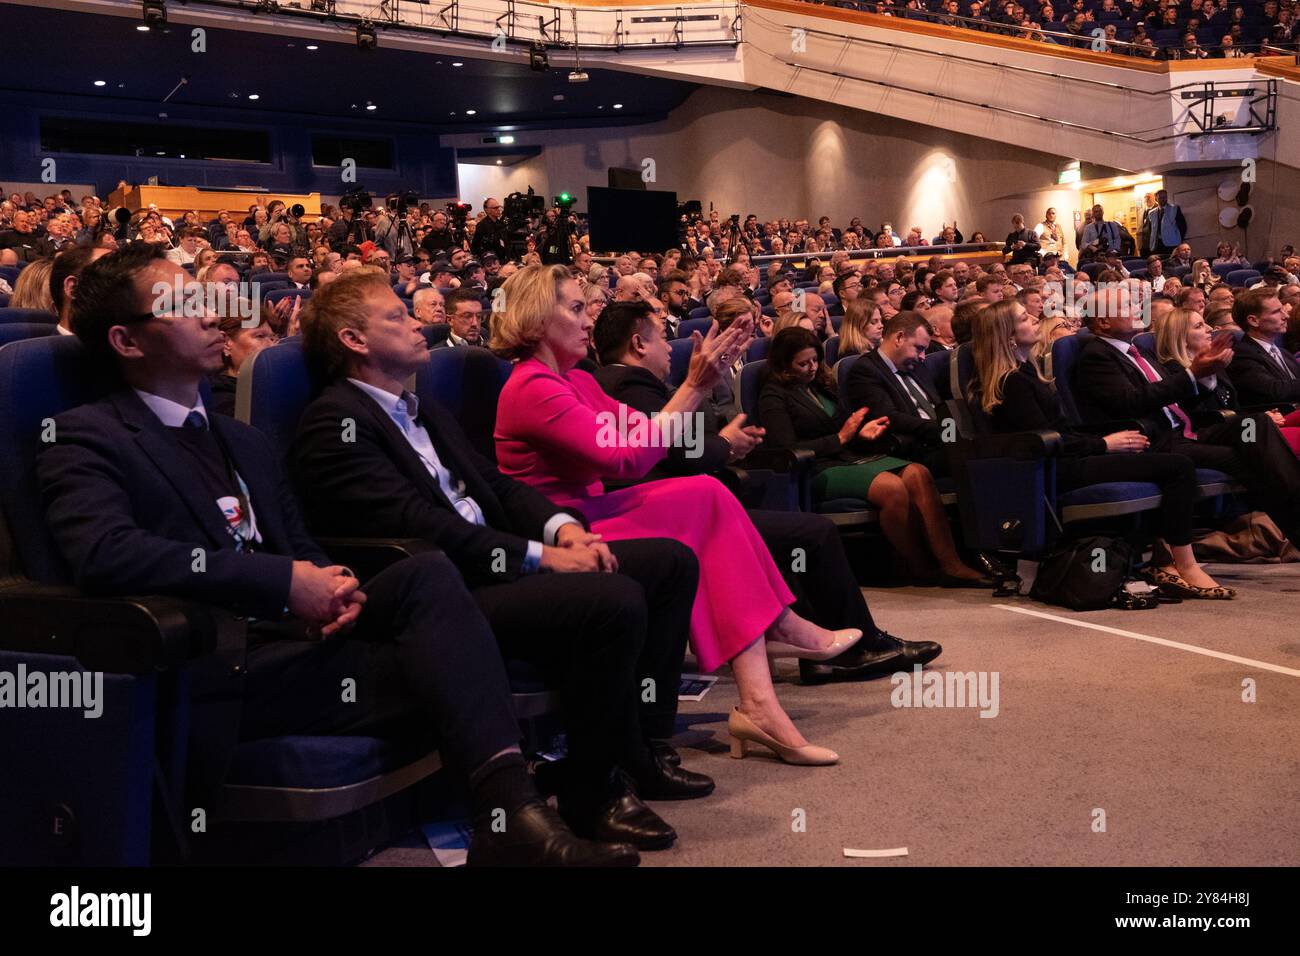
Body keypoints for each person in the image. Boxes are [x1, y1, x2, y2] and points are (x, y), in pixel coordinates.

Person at [38, 242, 634, 867]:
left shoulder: (242, 440)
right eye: (186, 305)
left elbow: (300, 548)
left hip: (304, 641)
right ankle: (513, 813)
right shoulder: (86, 437)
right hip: (222, 662)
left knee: (426, 581)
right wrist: (281, 584)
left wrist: (328, 584)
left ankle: (510, 814)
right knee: (457, 660)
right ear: (127, 342)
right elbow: (107, 554)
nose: (216, 316)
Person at [288, 271, 713, 851]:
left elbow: (496, 486)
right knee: (611, 598)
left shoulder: (423, 408)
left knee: (668, 563)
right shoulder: (334, 425)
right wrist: (539, 559)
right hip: (450, 592)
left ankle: (642, 747)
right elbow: (425, 528)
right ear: (353, 341)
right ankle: (592, 789)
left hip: (495, 562)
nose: (419, 323)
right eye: (397, 317)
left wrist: (562, 530)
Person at [493, 266, 862, 767]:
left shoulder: (575, 378)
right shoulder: (532, 388)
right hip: (563, 529)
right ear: (536, 320)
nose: (589, 319)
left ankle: (761, 689)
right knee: (701, 502)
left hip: (591, 507)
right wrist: (693, 385)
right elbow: (626, 457)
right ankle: (769, 652)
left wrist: (701, 384)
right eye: (576, 308)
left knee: (704, 493)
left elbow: (643, 429)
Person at [590, 301, 942, 684]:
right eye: (661, 337)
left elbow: (675, 445)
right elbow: (681, 452)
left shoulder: (614, 383)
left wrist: (723, 442)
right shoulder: (631, 387)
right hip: (674, 516)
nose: (669, 348)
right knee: (813, 533)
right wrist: (725, 444)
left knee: (795, 531)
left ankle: (828, 645)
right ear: (639, 344)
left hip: (681, 505)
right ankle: (854, 648)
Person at [972, 299, 1231, 598]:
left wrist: (1104, 442)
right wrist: (1105, 443)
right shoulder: (1013, 382)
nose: (1034, 317)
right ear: (1008, 336)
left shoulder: (1026, 372)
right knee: (1177, 466)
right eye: (1023, 318)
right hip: (1058, 469)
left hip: (1071, 456)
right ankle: (1185, 564)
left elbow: (1062, 433)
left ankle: (1163, 558)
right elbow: (1046, 441)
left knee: (1162, 459)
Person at [761, 327, 992, 588]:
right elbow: (787, 448)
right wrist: (841, 439)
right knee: (893, 489)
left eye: (815, 360)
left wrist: (862, 434)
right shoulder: (774, 394)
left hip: (848, 456)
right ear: (783, 364)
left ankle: (951, 563)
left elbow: (845, 430)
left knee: (918, 473)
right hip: (815, 468)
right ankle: (922, 568)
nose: (812, 367)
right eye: (803, 363)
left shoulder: (821, 386)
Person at [1072, 283, 1300, 541]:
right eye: (1128, 306)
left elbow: (1177, 397)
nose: (1139, 309)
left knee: (1255, 425)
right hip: (1161, 441)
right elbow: (1131, 402)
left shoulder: (1139, 351)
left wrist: (1206, 376)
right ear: (1103, 322)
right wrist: (1193, 374)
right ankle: (1293, 527)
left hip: (1190, 429)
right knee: (1247, 459)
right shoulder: (1097, 357)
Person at [1158, 306, 1300, 456]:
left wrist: (1264, 415)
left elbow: (1236, 407)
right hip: (1223, 435)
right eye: (1199, 326)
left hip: (1245, 426)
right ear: (1181, 337)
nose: (1209, 329)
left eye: (1205, 323)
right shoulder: (1175, 371)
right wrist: (1255, 420)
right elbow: (1198, 416)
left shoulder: (1216, 364)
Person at [843, 312, 950, 474]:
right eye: (919, 348)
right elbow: (888, 418)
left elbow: (939, 404)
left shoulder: (915, 365)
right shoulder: (865, 370)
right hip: (915, 449)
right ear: (899, 338)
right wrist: (943, 430)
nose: (922, 357)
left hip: (943, 439)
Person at [1227, 289, 1300, 406]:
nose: (1286, 316)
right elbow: (1273, 390)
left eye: (1283, 310)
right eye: (1277, 312)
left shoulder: (1283, 353)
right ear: (1254, 321)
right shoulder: (1241, 354)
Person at [208, 312, 278, 417]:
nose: (271, 345)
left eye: (272, 338)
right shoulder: (222, 401)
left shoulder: (271, 384)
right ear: (226, 343)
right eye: (260, 336)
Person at [1144, 190, 1187, 257]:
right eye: (1160, 197)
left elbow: (1182, 226)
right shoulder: (1151, 213)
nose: (1163, 199)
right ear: (1156, 199)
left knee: (1172, 262)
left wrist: (1179, 240)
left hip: (1172, 244)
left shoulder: (1174, 209)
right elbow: (1150, 230)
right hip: (1157, 244)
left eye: (1165, 197)